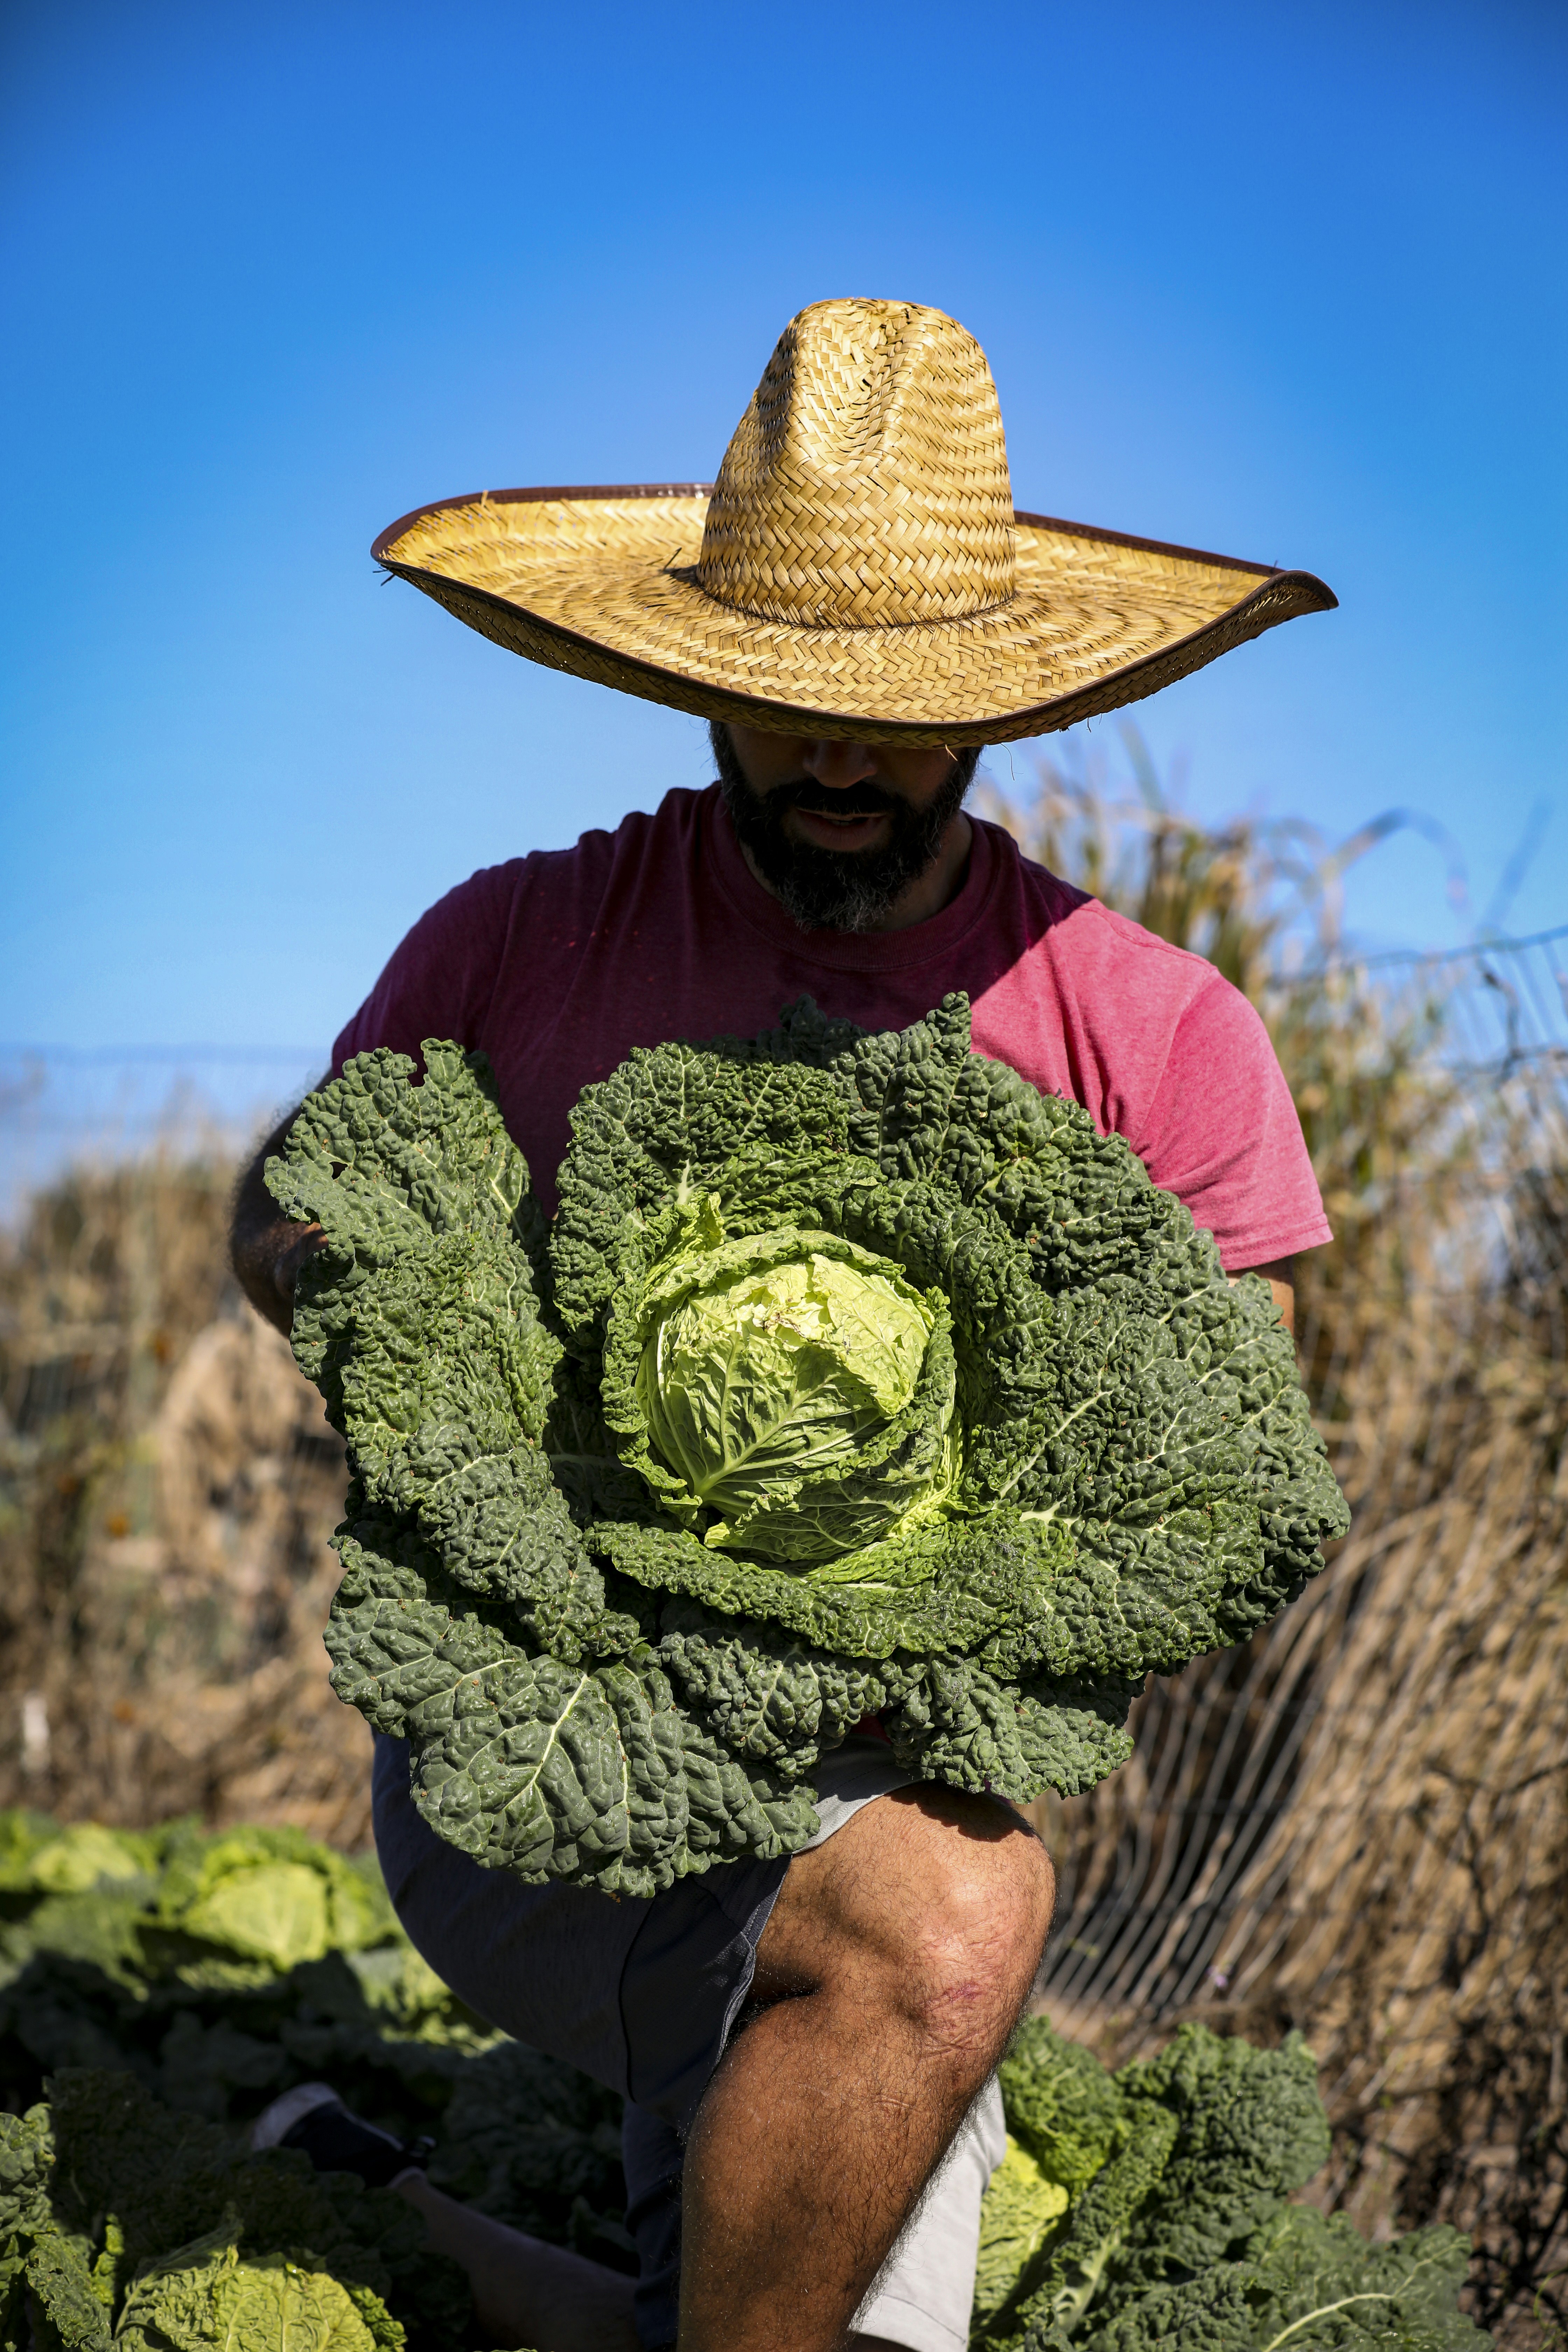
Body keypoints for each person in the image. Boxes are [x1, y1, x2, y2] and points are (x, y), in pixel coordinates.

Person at [231, 298, 1334, 2352]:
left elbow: (1220, 1451)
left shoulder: (1159, 1033)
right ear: (703, 683)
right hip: (538, 1730)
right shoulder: (526, 940)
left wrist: (910, 1623)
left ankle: (378, 2211)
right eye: (788, 695)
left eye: (902, 707)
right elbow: (293, 1207)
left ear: (996, 707)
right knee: (953, 1931)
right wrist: (396, 1319)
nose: (842, 753)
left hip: (888, 1769)